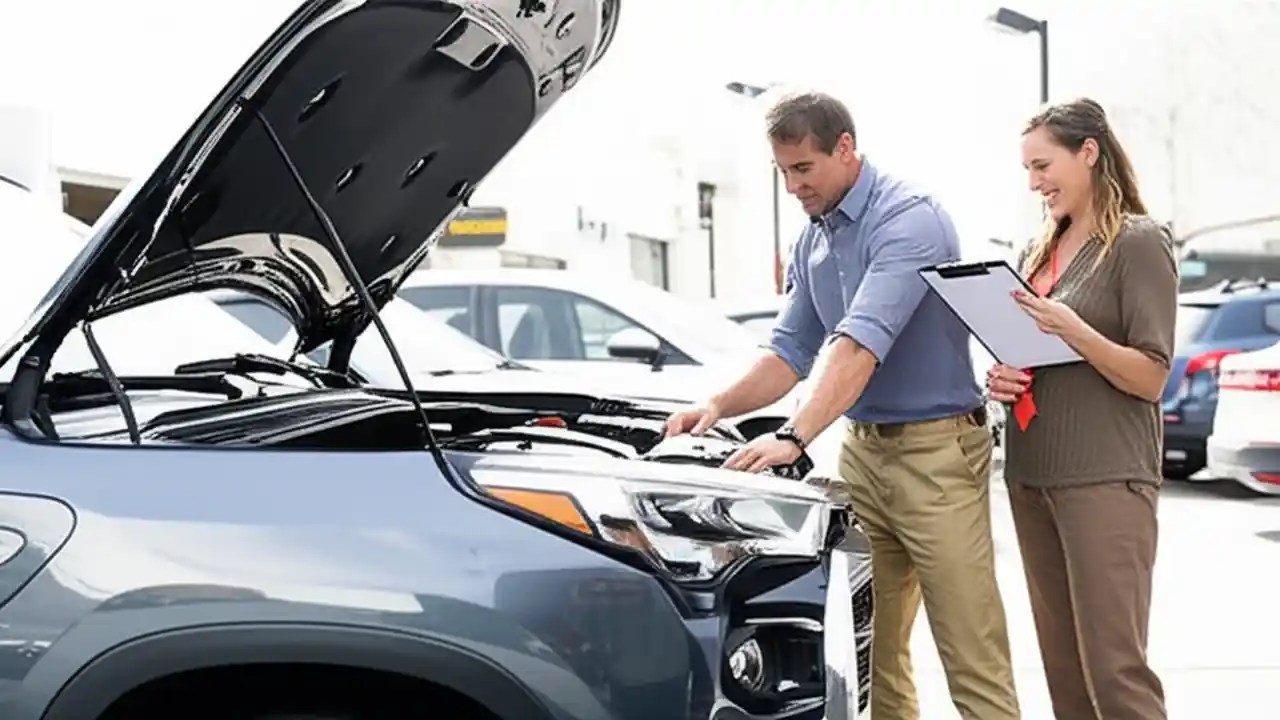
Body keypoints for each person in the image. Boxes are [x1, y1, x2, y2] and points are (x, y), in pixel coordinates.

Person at [664, 90, 1020, 720]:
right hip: (862, 456)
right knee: (871, 657)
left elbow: (857, 346)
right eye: (782, 173)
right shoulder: (814, 241)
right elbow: (788, 354)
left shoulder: (909, 219)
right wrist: (714, 406)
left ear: (846, 149)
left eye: (804, 169)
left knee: (970, 651)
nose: (793, 187)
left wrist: (794, 437)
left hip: (937, 458)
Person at [987, 97, 1174, 719]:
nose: (1035, 184)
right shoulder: (1042, 248)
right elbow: (1041, 353)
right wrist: (1006, 372)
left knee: (1115, 674)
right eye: (1027, 172)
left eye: (1044, 167)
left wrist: (1075, 332)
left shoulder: (1139, 244)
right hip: (1031, 474)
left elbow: (1150, 375)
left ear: (1088, 153)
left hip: (1104, 478)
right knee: (1064, 675)